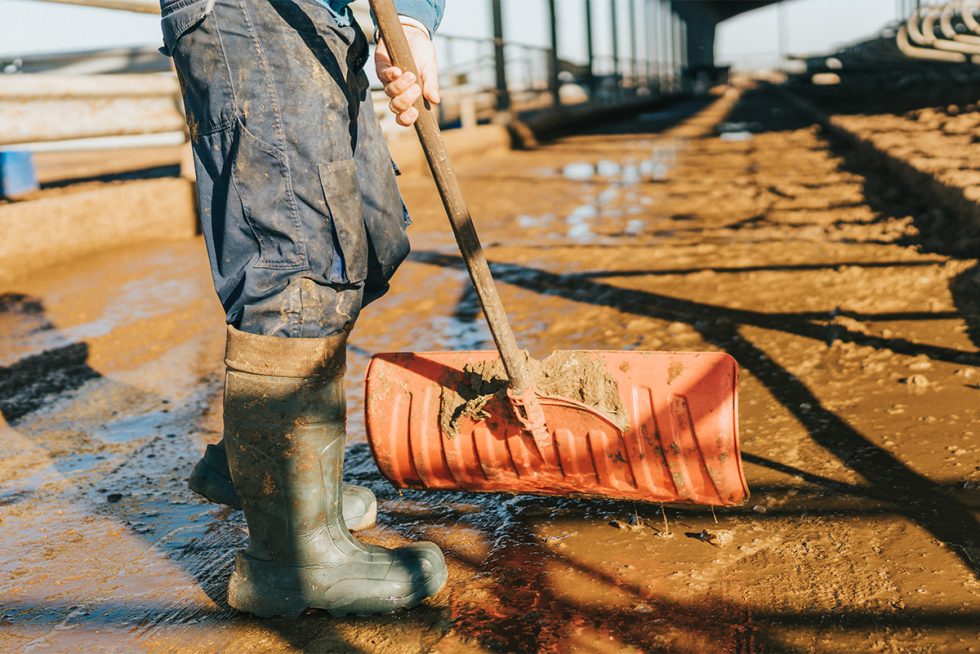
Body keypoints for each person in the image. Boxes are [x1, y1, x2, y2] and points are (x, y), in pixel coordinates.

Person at [158, 0, 447, 618]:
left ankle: (264, 469)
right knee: (301, 263)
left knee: (370, 239)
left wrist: (413, 22)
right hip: (254, 13)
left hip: (325, 17)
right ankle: (292, 559)